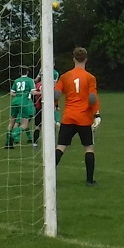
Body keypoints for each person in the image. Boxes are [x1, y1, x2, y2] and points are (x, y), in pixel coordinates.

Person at [54, 47, 100, 186]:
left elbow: (56, 93)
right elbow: (92, 97)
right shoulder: (90, 77)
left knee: (61, 147)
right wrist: (97, 114)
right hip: (84, 118)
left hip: (68, 116)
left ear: (73, 59)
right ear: (86, 59)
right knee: (89, 148)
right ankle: (90, 181)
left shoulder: (65, 76)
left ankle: (48, 177)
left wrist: (55, 106)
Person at [5, 67, 36, 147]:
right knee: (24, 124)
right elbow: (33, 92)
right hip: (24, 102)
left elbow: (11, 93)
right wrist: (41, 92)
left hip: (15, 101)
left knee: (11, 122)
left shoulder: (16, 80)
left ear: (20, 72)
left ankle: (7, 142)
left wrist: (18, 95)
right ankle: (13, 135)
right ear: (27, 72)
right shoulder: (30, 80)